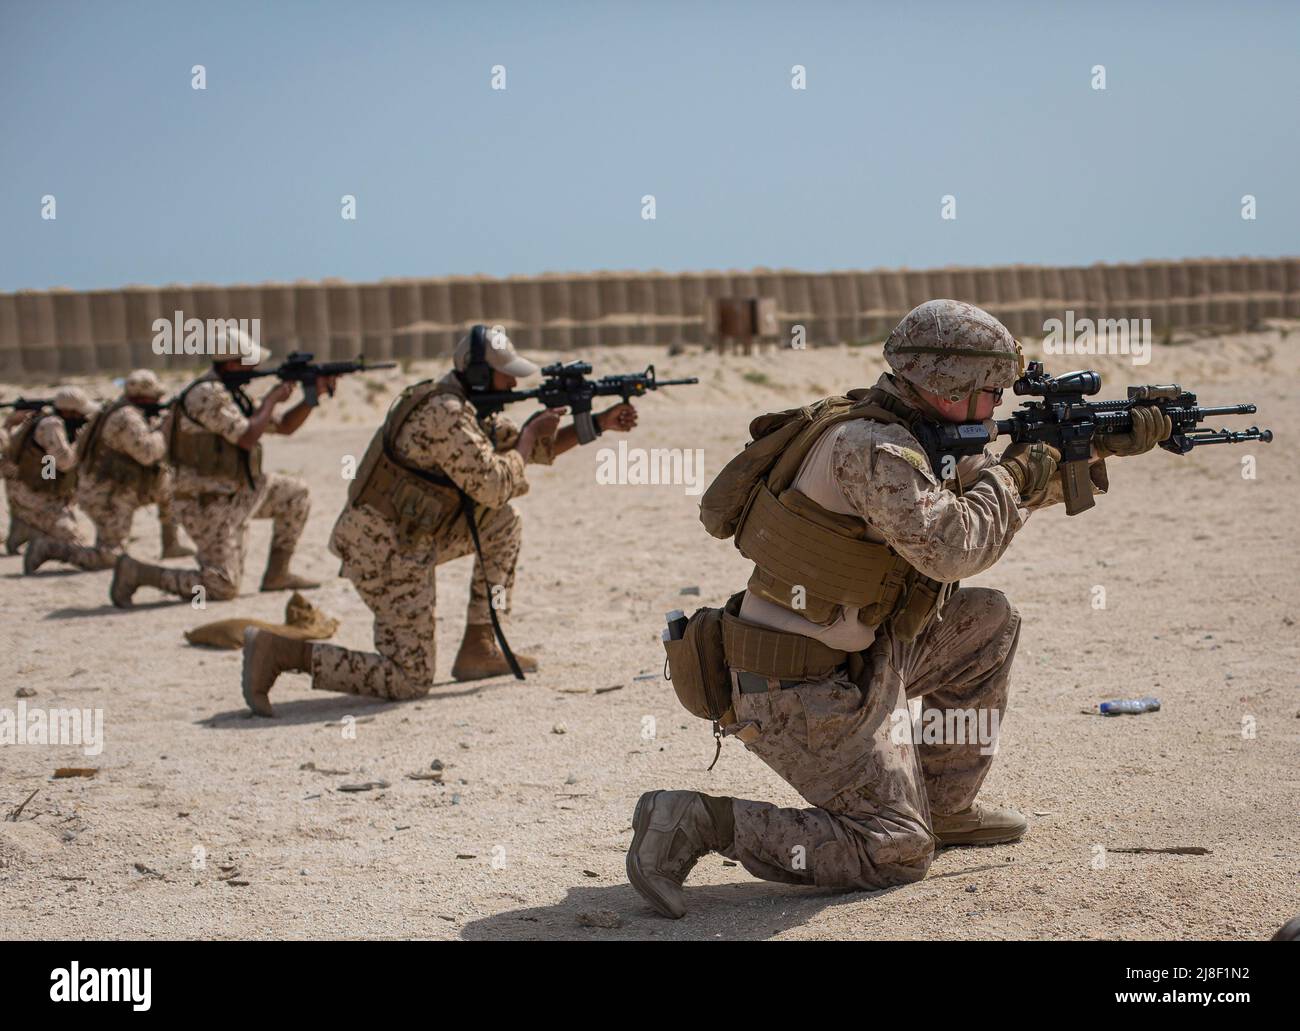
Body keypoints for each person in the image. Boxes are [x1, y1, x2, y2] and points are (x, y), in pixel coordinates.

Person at [626, 299, 1171, 918]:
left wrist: (1093, 451)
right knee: (893, 851)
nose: (997, 406)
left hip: (857, 655)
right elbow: (953, 547)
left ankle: (944, 807)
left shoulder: (911, 433)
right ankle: (697, 820)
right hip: (793, 686)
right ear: (950, 387)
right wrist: (1017, 474)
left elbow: (978, 504)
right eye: (990, 391)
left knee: (986, 623)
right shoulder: (871, 447)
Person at [239, 324, 638, 716]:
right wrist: (532, 434)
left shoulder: (463, 406)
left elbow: (531, 450)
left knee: (503, 523)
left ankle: (479, 647)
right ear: (480, 374)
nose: (514, 387)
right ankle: (282, 652)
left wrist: (598, 422)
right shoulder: (444, 414)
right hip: (383, 552)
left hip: (412, 539)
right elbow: (496, 484)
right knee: (409, 679)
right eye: (506, 377)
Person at [110, 329, 327, 607]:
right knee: (222, 586)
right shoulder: (206, 395)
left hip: (237, 491)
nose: (255, 368)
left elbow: (284, 426)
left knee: (295, 494)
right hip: (205, 502)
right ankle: (139, 572)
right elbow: (248, 437)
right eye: (249, 362)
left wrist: (311, 398)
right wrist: (271, 399)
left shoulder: (231, 394)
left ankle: (277, 574)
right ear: (232, 364)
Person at [23, 369, 192, 573]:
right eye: (156, 397)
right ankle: (49, 549)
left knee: (169, 484)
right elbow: (148, 453)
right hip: (107, 495)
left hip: (122, 487)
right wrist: (165, 429)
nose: (159, 400)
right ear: (143, 397)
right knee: (109, 557)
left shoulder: (124, 412)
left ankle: (170, 544)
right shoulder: (126, 418)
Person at [3, 386, 97, 550]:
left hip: (30, 486)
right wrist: (81, 442)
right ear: (69, 413)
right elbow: (65, 462)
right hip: (32, 492)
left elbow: (50, 467)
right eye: (81, 413)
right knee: (75, 545)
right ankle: (30, 524)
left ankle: (24, 528)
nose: (84, 416)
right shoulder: (51, 426)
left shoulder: (45, 420)